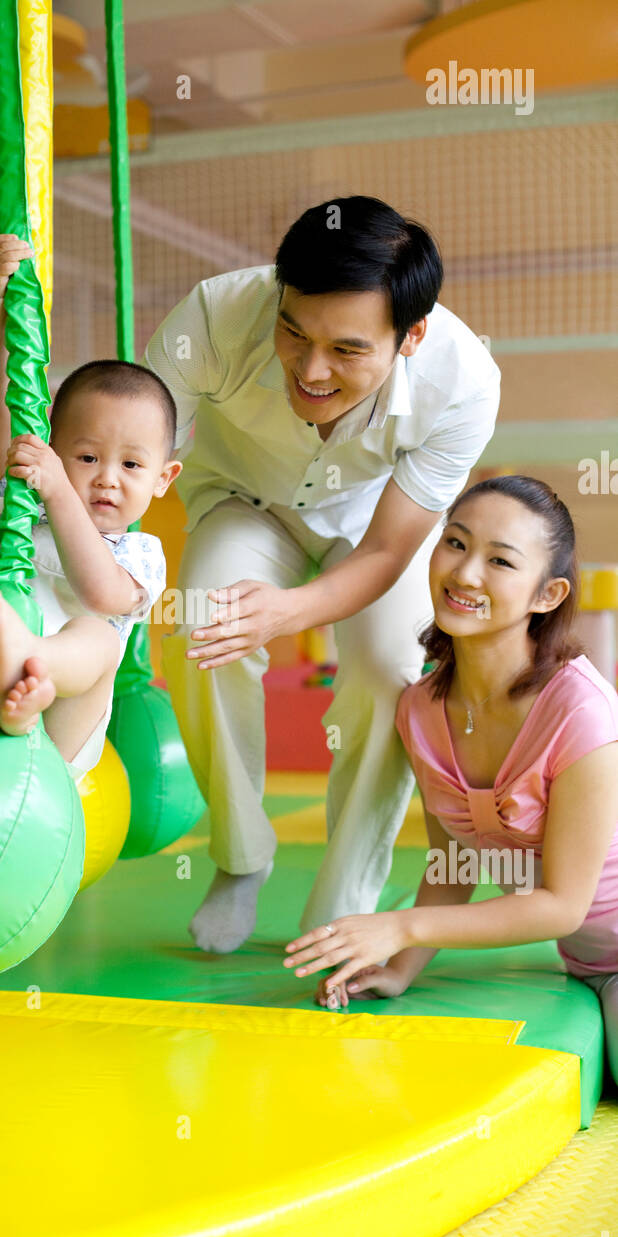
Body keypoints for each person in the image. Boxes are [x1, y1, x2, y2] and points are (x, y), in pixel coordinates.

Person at [141, 195, 501, 951]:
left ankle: (343, 902)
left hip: (372, 523)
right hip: (245, 502)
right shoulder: (214, 316)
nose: (310, 369)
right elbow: (123, 450)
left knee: (393, 664)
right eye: (293, 332)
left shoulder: (464, 383)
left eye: (347, 350)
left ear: (412, 336)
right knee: (203, 620)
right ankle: (241, 859)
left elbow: (383, 555)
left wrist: (292, 611)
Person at [283, 476, 618, 1084]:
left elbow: (563, 906)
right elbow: (454, 867)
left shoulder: (582, 711)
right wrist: (402, 965)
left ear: (548, 594)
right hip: (595, 966)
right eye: (456, 544)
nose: (465, 575)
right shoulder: (419, 709)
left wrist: (398, 924)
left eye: (500, 561)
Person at [0, 234, 181, 782]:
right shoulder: (23, 499)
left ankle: (22, 669)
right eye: (88, 456)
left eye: (132, 466)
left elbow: (100, 594)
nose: (106, 480)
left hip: (58, 724)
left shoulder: (141, 555)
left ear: (164, 479)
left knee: (96, 635)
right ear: (50, 444)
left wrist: (58, 491)